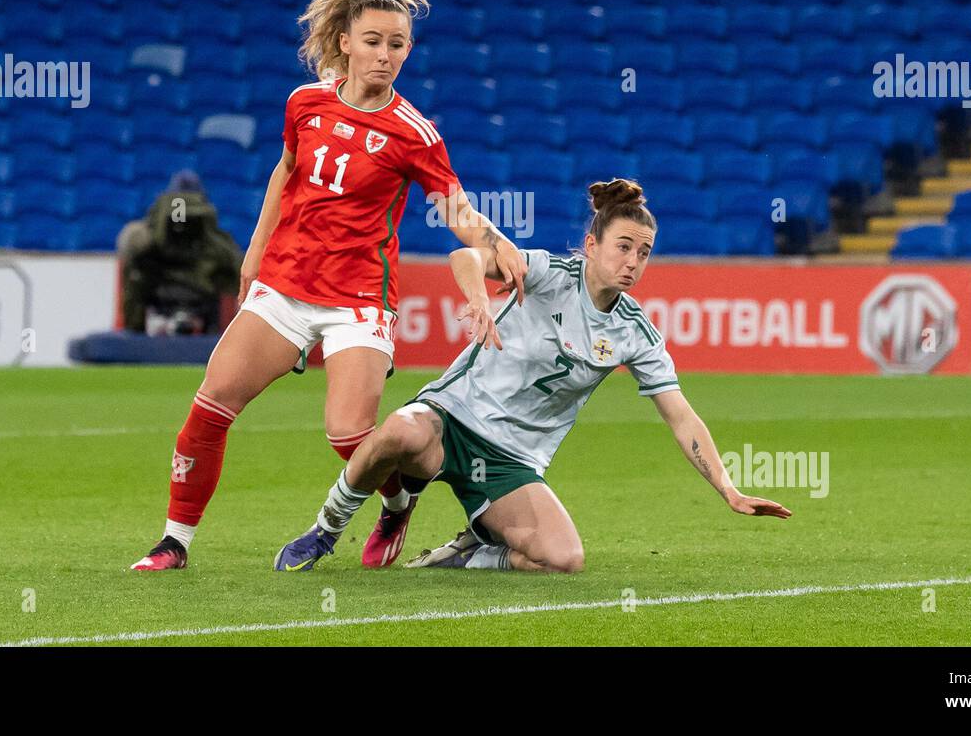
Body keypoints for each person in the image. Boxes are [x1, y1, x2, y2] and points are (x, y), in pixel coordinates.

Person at [132, 0, 527, 571]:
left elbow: (455, 210)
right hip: (286, 284)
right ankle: (174, 542)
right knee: (210, 408)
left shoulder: (414, 133)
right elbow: (285, 171)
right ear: (345, 42)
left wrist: (497, 242)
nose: (385, 55)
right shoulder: (304, 103)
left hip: (360, 297)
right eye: (373, 41)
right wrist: (255, 253)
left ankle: (396, 502)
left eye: (398, 44)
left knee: (349, 435)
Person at [274, 179, 790, 574]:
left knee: (564, 560)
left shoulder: (636, 334)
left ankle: (466, 554)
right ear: (591, 244)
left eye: (644, 252)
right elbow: (466, 255)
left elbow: (682, 417)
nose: (633, 262)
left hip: (512, 461)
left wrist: (729, 489)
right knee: (398, 431)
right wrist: (477, 294)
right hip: (452, 419)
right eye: (623, 246)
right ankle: (327, 529)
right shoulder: (546, 272)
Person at [117, 170, 241, 335]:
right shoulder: (148, 232)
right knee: (135, 273)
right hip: (165, 282)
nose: (181, 217)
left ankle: (217, 337)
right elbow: (133, 247)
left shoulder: (211, 237)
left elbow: (232, 267)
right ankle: (134, 335)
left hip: (198, 284)